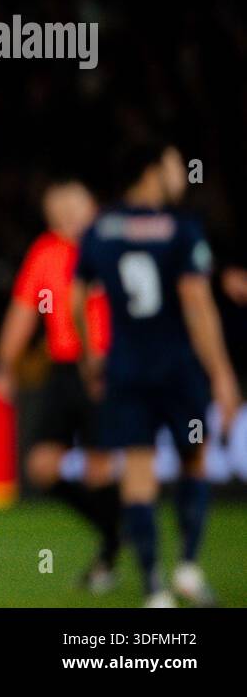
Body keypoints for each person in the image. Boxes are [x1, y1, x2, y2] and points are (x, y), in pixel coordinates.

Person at [73, 141, 242, 607]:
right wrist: (222, 372)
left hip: (126, 371)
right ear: (151, 172)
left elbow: (76, 298)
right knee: (194, 460)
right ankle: (188, 566)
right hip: (178, 369)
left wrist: (90, 354)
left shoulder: (101, 228)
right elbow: (197, 304)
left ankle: (154, 588)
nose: (182, 175)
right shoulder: (181, 229)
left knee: (138, 476)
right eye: (173, 166)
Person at [0, 178, 120, 593]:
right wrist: (5, 366)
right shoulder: (45, 252)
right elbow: (23, 311)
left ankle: (111, 553)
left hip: (107, 368)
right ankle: (119, 531)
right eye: (57, 210)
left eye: (73, 207)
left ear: (93, 207)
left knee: (100, 469)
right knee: (42, 466)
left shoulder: (113, 245)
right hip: (64, 370)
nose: (65, 216)